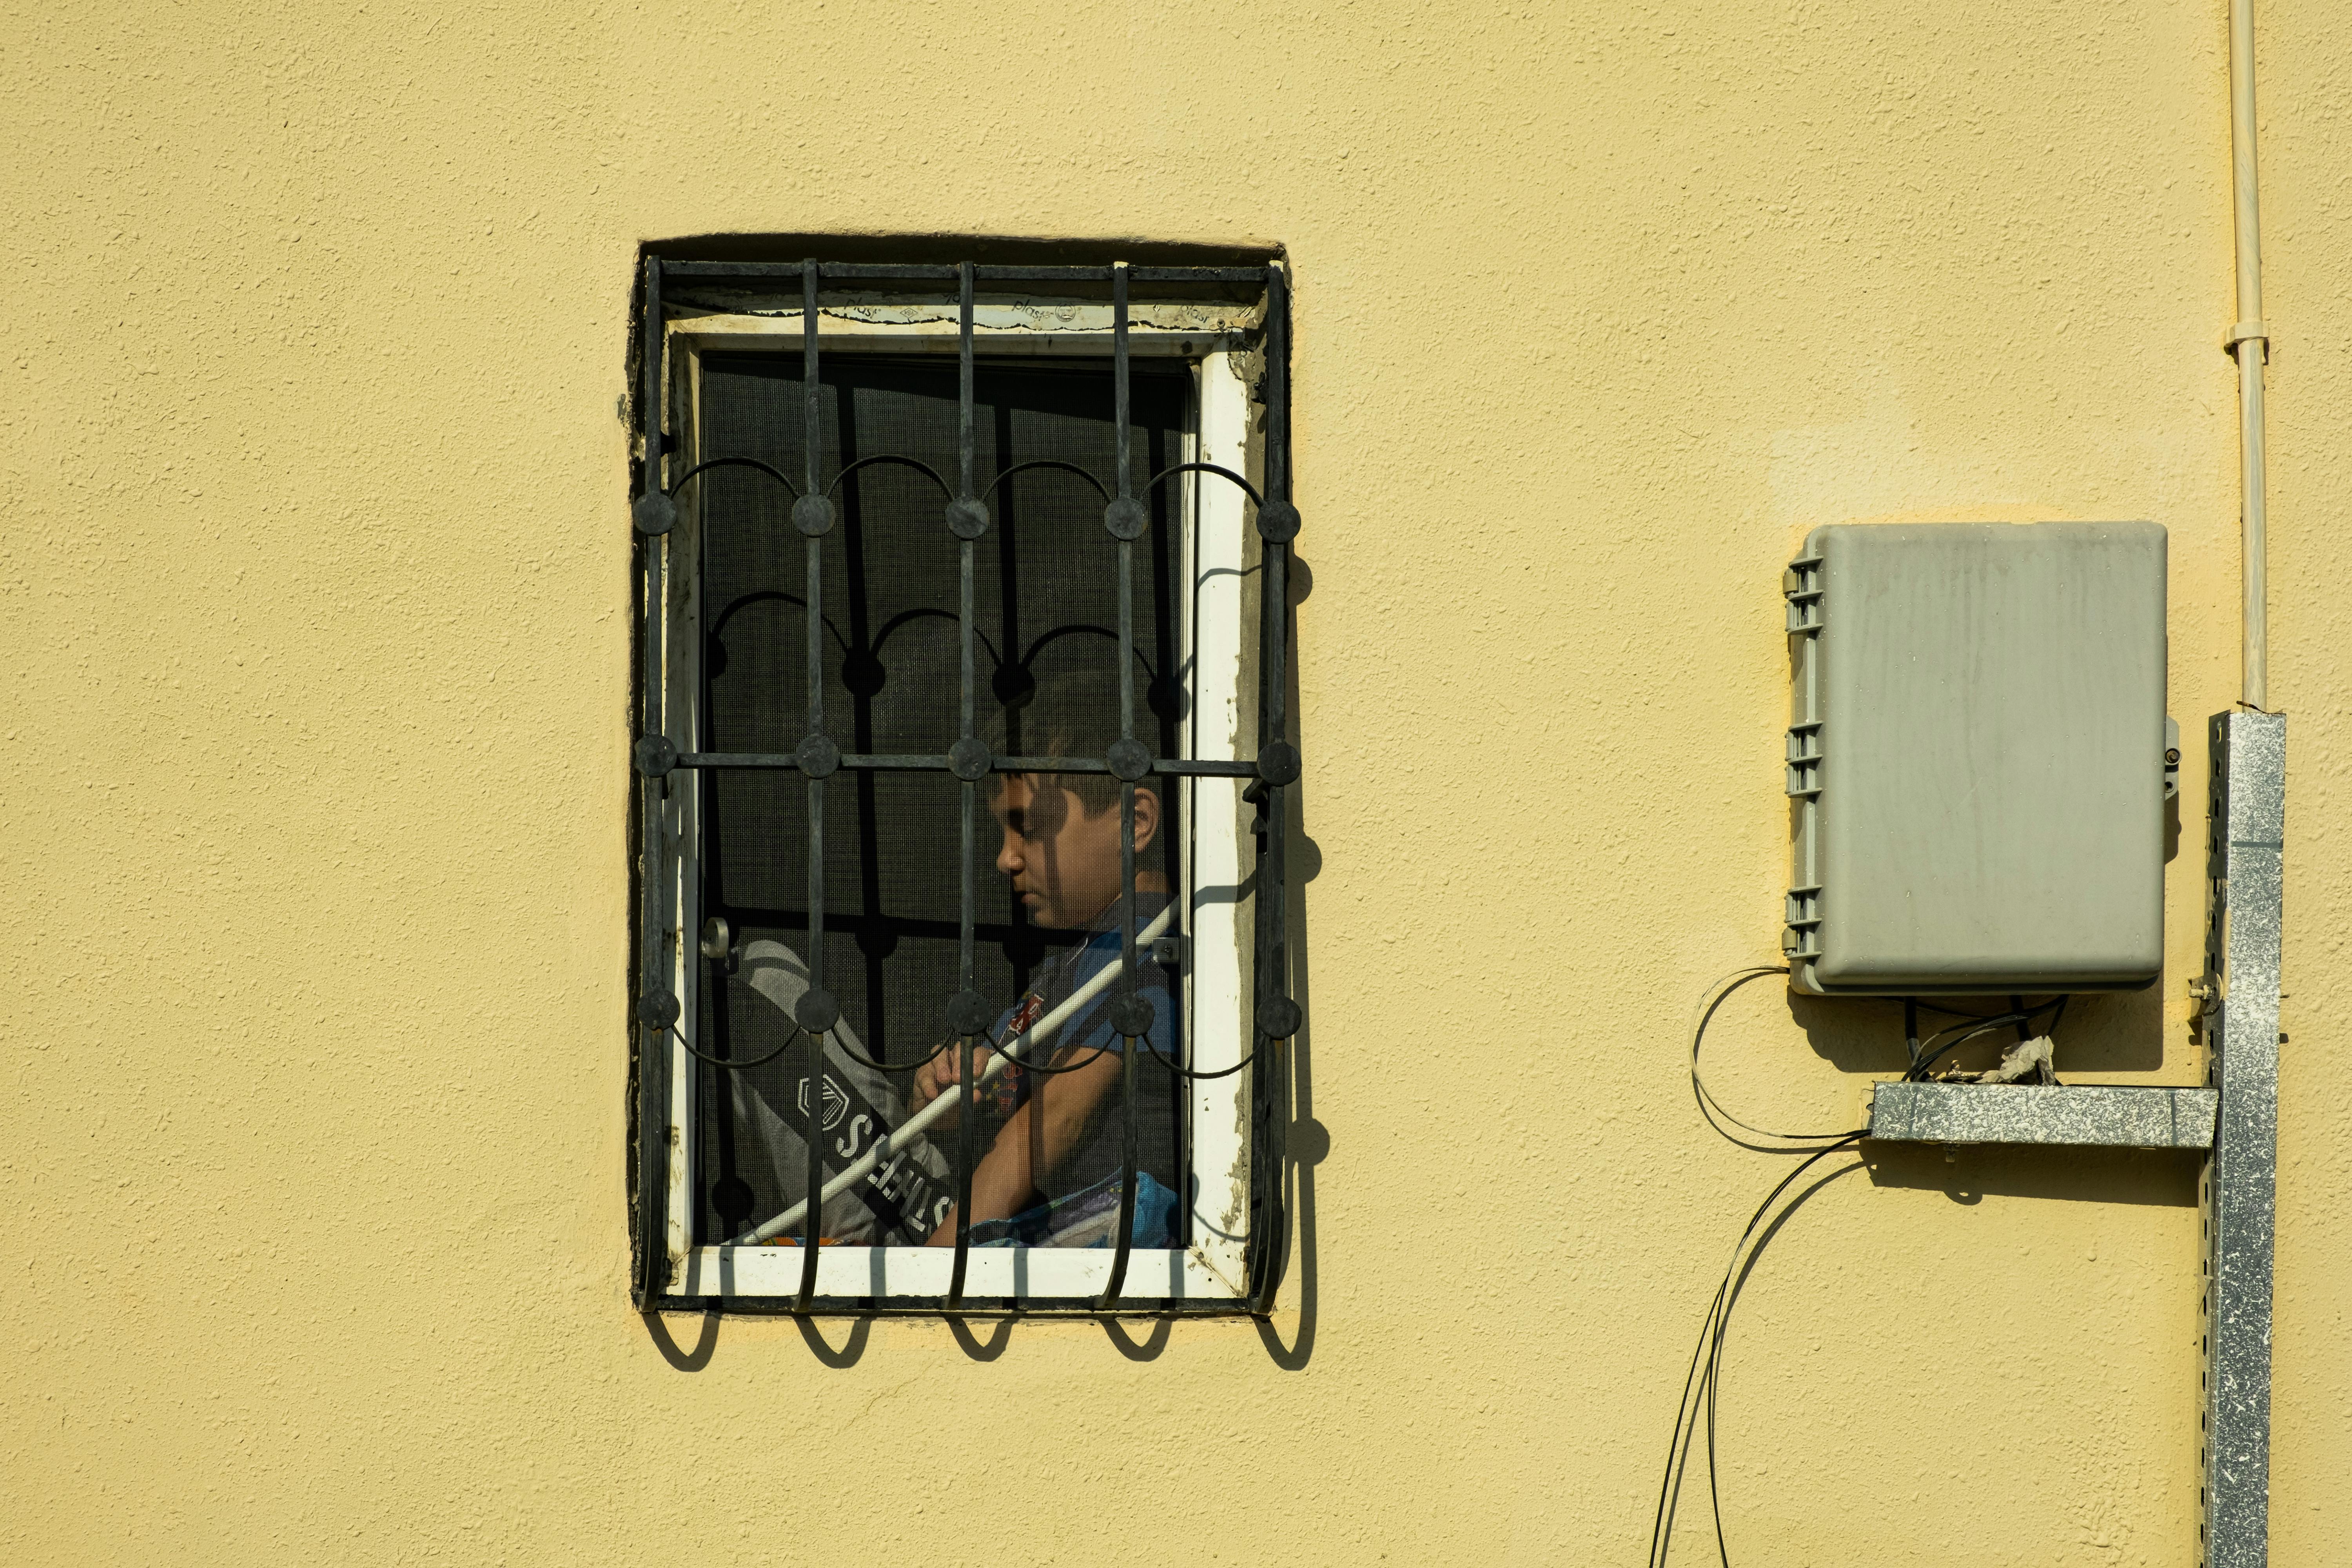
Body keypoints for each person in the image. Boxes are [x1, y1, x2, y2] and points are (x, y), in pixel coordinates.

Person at [907, 672, 1183, 1249]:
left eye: (1028, 829)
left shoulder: (1146, 950)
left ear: (1135, 823)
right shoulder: (1083, 956)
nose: (1005, 859)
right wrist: (944, 1090)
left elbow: (1055, 1119)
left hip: (1027, 1244)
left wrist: (923, 1278)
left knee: (763, 975)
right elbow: (991, 1094)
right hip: (975, 1218)